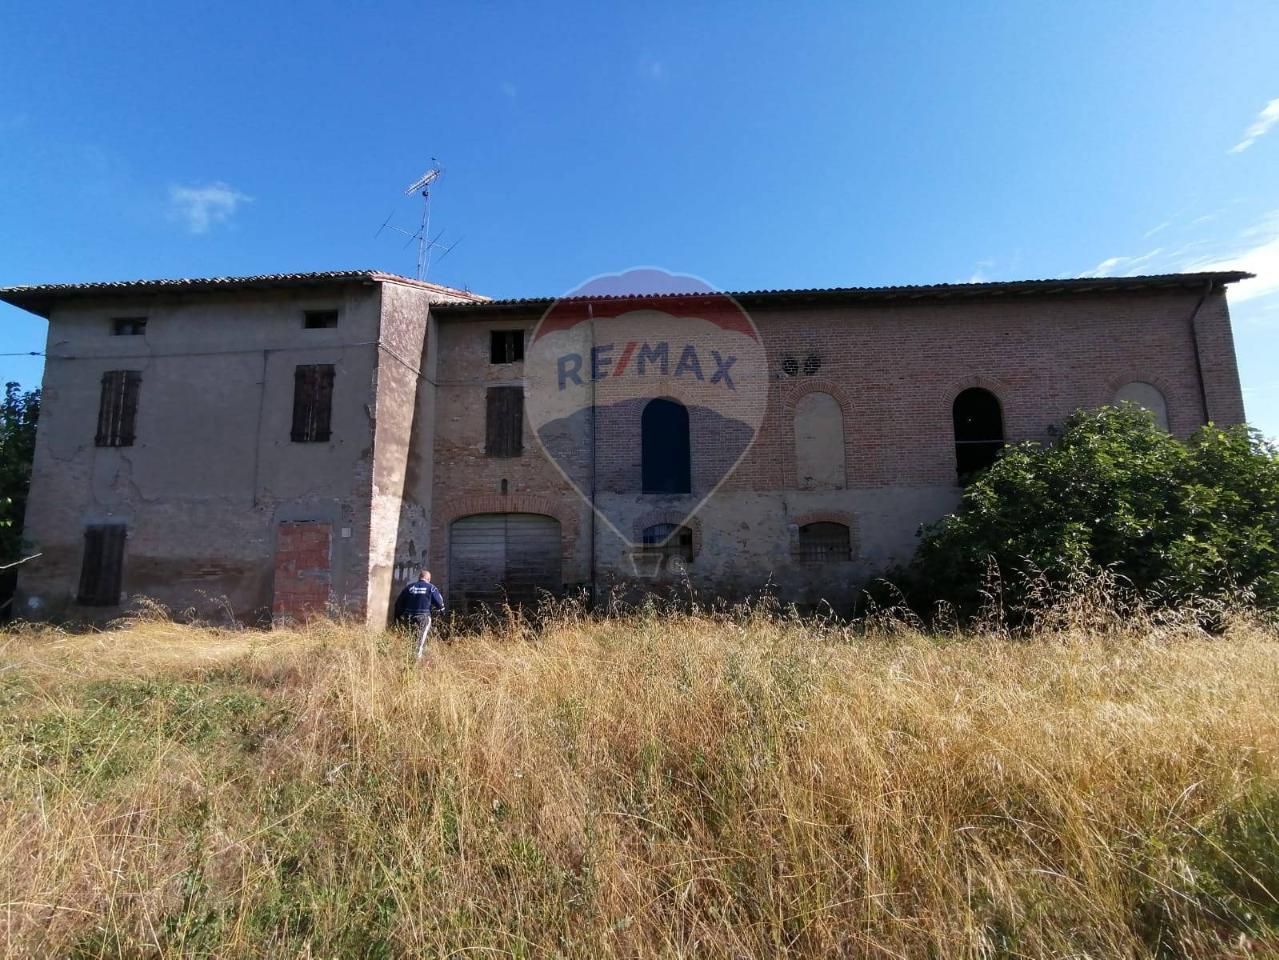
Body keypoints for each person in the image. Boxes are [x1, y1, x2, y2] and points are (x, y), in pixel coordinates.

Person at [394, 569, 445, 659]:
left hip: (409, 617)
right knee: (421, 638)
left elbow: (399, 604)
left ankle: (409, 657)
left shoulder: (408, 588)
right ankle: (417, 660)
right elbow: (439, 602)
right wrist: (442, 612)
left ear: (419, 578)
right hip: (423, 617)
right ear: (428, 579)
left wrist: (397, 617)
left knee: (411, 637)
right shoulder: (431, 588)